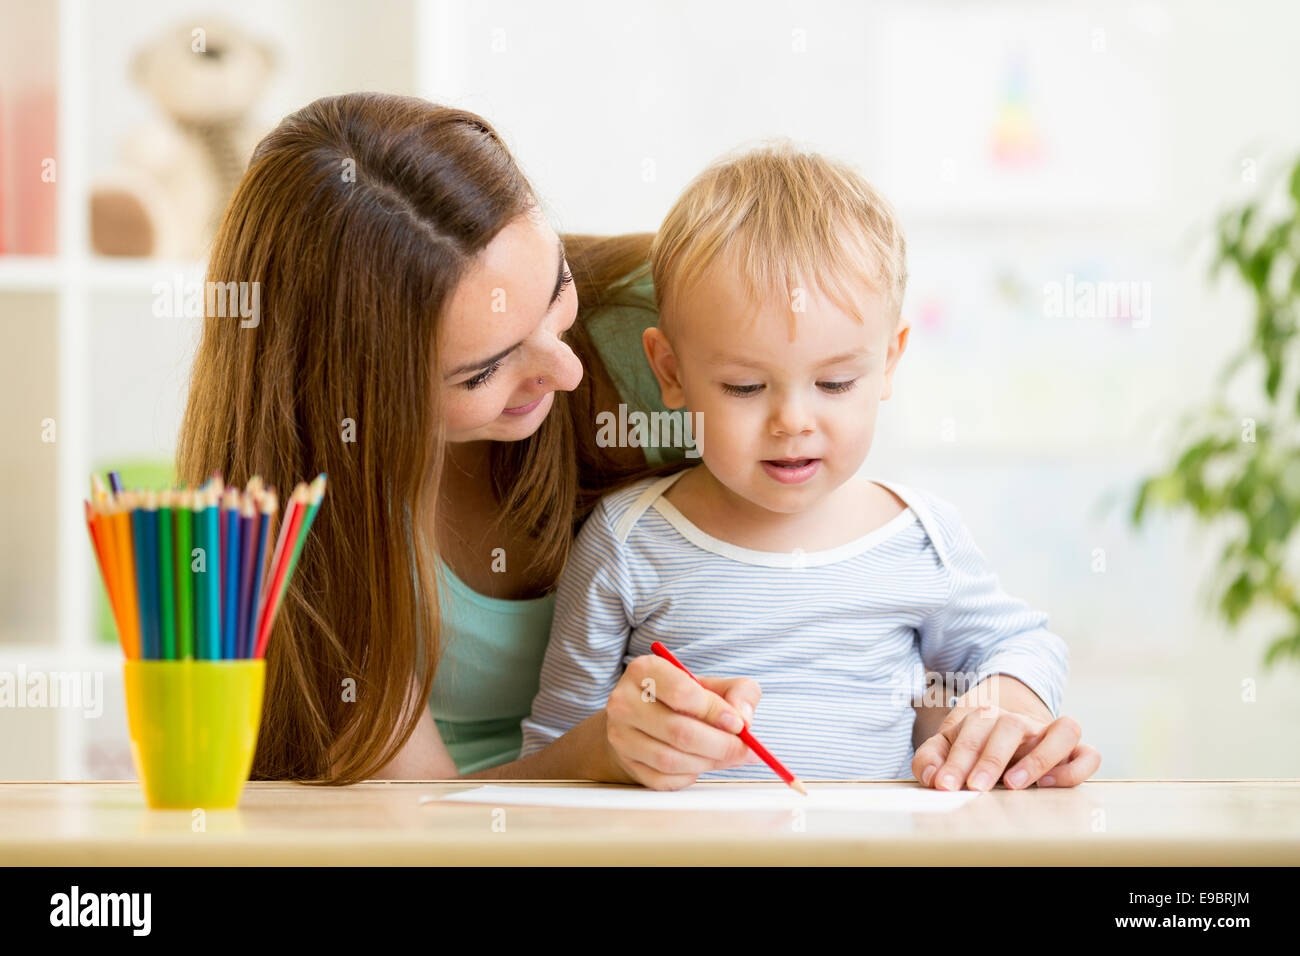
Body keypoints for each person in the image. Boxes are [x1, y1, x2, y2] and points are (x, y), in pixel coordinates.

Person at [522, 142, 1101, 791]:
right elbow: (555, 753)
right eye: (745, 387)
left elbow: (1024, 644)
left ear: (888, 362)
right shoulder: (626, 541)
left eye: (834, 383)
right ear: (671, 373)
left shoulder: (920, 537)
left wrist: (1008, 707)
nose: (793, 421)